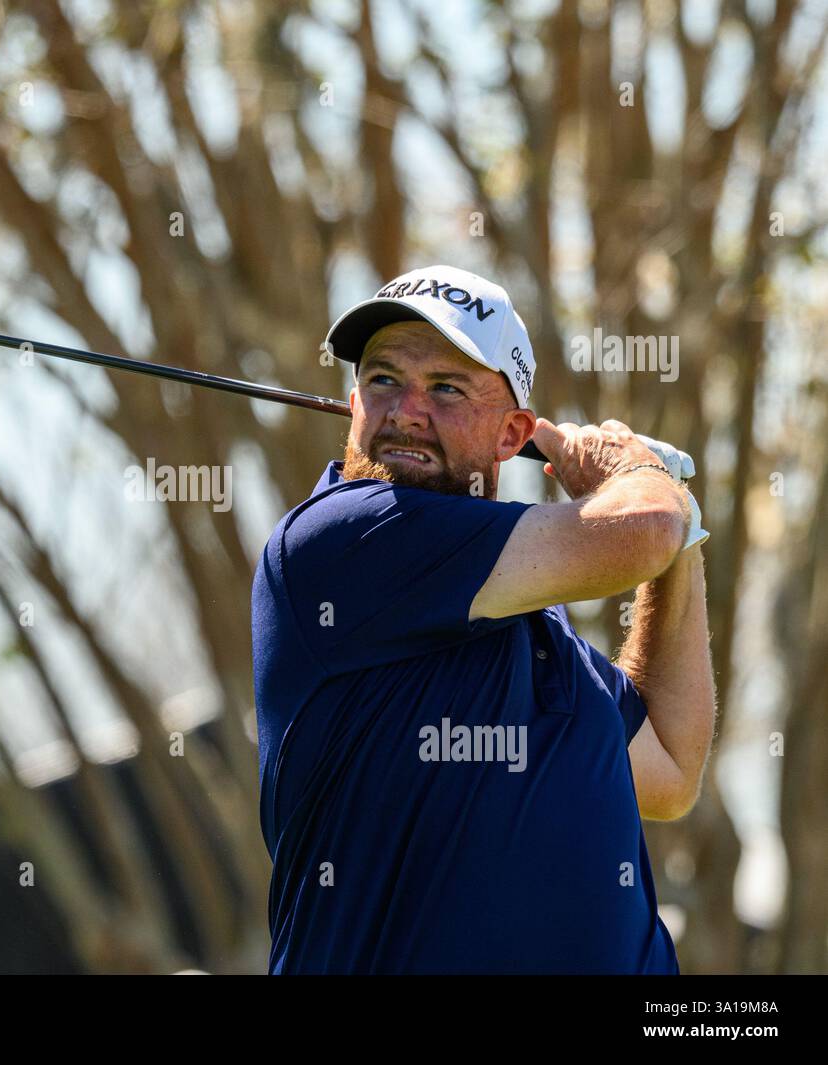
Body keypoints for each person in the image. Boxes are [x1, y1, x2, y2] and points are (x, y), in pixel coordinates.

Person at [252, 265, 715, 974]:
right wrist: (643, 480)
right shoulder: (339, 543)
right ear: (353, 402)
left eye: (446, 387)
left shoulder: (538, 627)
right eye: (383, 379)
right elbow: (644, 528)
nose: (407, 409)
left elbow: (673, 770)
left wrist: (681, 537)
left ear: (513, 434)